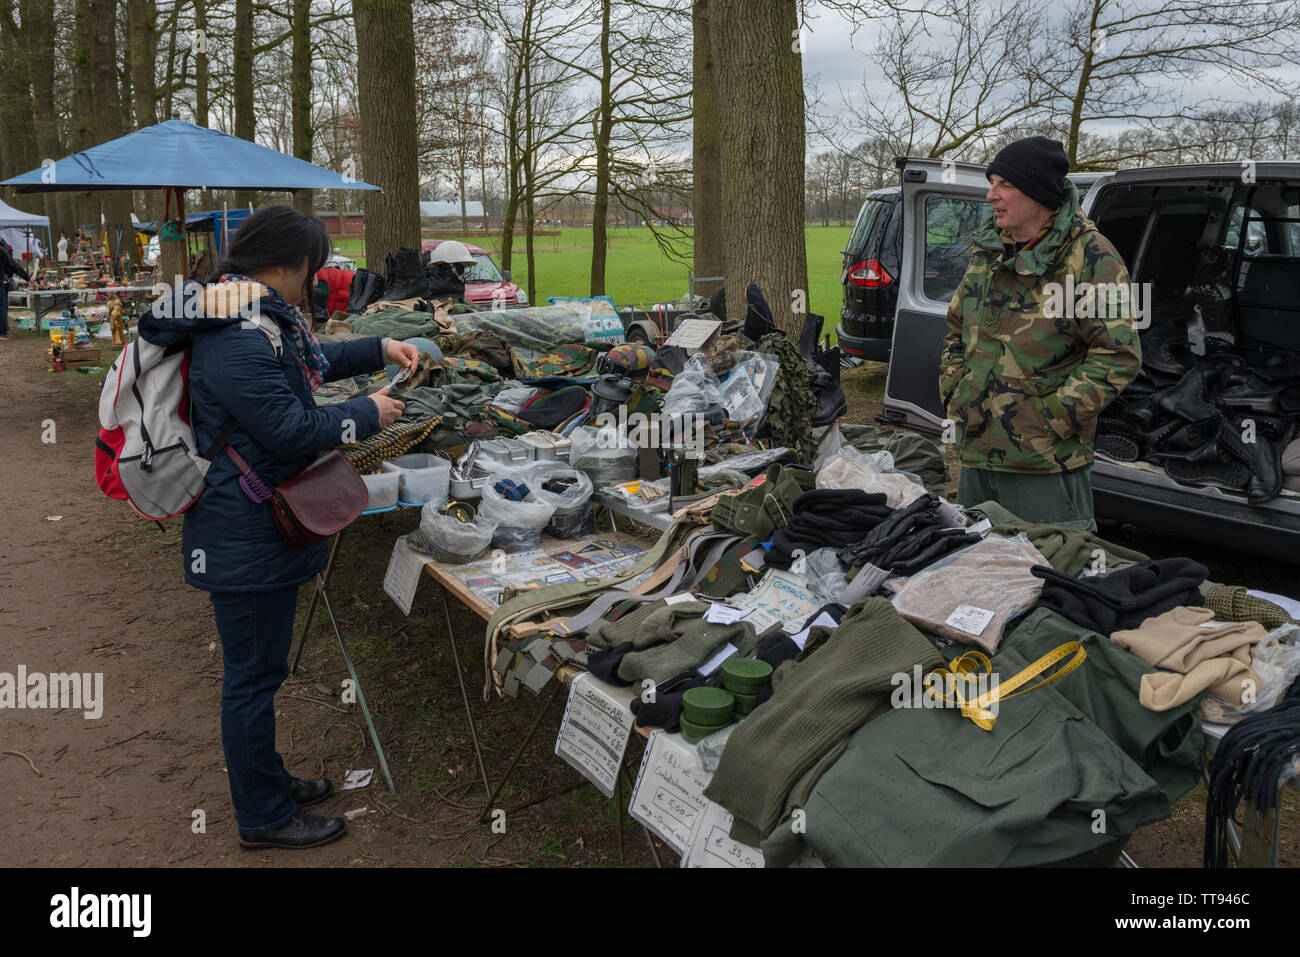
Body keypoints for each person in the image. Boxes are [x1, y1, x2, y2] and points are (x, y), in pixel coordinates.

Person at [161, 205, 417, 849]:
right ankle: (264, 818)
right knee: (251, 677)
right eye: (315, 266)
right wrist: (370, 411)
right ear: (287, 263)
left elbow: (306, 367)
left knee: (262, 670)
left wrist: (377, 347)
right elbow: (289, 428)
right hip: (240, 531)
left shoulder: (255, 316)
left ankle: (267, 781)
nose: (318, 278)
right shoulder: (238, 333)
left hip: (249, 525)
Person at [938, 136, 1141, 530]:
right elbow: (955, 329)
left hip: (1044, 465)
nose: (990, 195)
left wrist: (1049, 417)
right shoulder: (989, 251)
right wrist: (955, 390)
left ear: (1038, 193)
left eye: (1005, 185)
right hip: (977, 454)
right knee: (976, 567)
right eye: (991, 182)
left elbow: (1118, 354)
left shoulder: (1093, 257)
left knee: (1049, 576)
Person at [0, 239, 30, 340]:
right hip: (1, 280)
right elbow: (12, 264)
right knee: (2, 306)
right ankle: (2, 332)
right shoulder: (2, 249)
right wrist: (27, 277)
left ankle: (3, 329)